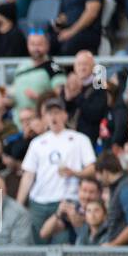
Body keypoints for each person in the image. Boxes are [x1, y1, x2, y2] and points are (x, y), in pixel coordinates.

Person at [16, 98, 96, 243]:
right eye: (49, 113)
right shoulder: (37, 143)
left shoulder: (80, 139)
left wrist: (74, 173)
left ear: (65, 115)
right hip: (38, 201)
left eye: (57, 112)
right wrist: (19, 204)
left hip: (66, 200)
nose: (53, 117)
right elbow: (28, 175)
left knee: (61, 244)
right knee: (37, 245)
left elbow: (92, 168)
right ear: (44, 118)